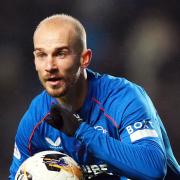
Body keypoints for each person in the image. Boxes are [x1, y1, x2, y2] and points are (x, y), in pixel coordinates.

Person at [9, 14, 180, 180]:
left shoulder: (124, 99)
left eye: (60, 54)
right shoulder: (37, 118)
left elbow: (153, 170)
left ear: (85, 59)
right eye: (41, 55)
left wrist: (80, 130)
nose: (49, 66)